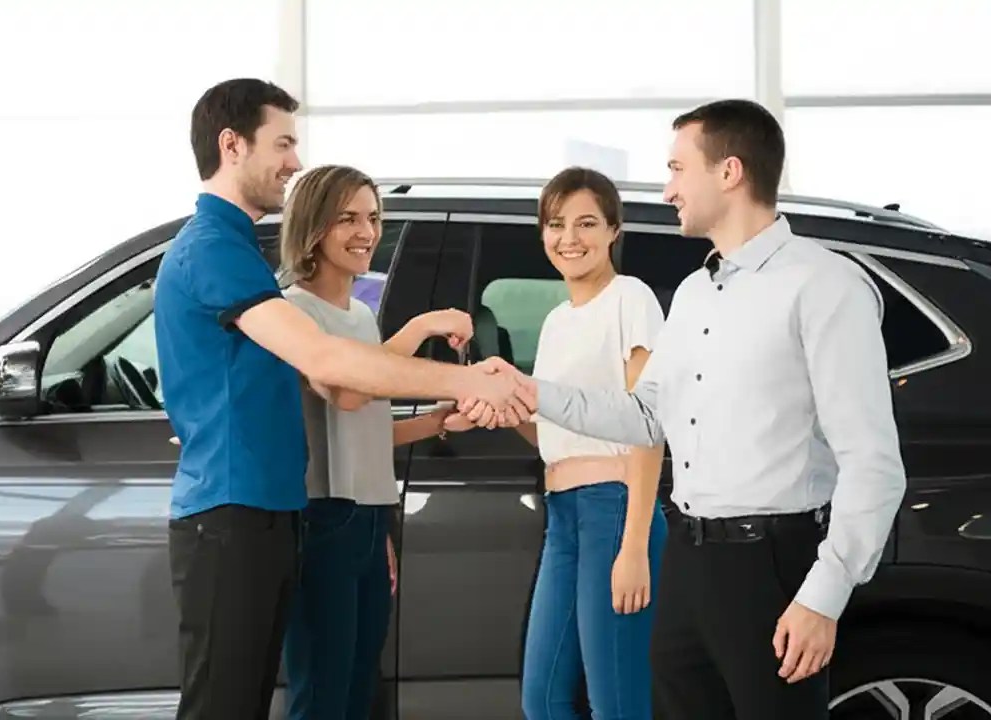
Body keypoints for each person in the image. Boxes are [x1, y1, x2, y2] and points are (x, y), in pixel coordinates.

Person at [463, 99, 906, 719]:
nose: (667, 189)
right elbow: (647, 416)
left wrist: (823, 598)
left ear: (729, 172)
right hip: (691, 558)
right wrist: (531, 392)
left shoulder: (825, 284)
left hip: (772, 560)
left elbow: (874, 464)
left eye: (676, 169)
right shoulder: (697, 291)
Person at [153, 78, 531, 720]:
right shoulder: (214, 248)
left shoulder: (237, 247)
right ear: (231, 145)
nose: (294, 163)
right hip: (230, 516)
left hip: (271, 512)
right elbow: (328, 365)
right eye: (284, 143)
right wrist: (466, 379)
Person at [276, 164, 479, 719]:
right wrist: (420, 329)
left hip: (366, 518)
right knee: (322, 692)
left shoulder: (361, 315)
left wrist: (437, 421)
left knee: (359, 691)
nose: (367, 231)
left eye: (372, 217)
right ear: (313, 227)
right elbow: (348, 392)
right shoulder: (293, 312)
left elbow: (366, 429)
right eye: (348, 218)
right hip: (325, 518)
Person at [474, 167, 668, 719]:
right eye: (556, 224)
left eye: (586, 223)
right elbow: (556, 436)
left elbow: (647, 426)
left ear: (614, 230)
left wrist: (633, 548)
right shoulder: (558, 320)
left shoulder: (631, 298)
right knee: (545, 698)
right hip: (562, 516)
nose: (569, 238)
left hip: (615, 510)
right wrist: (502, 407)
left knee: (616, 701)